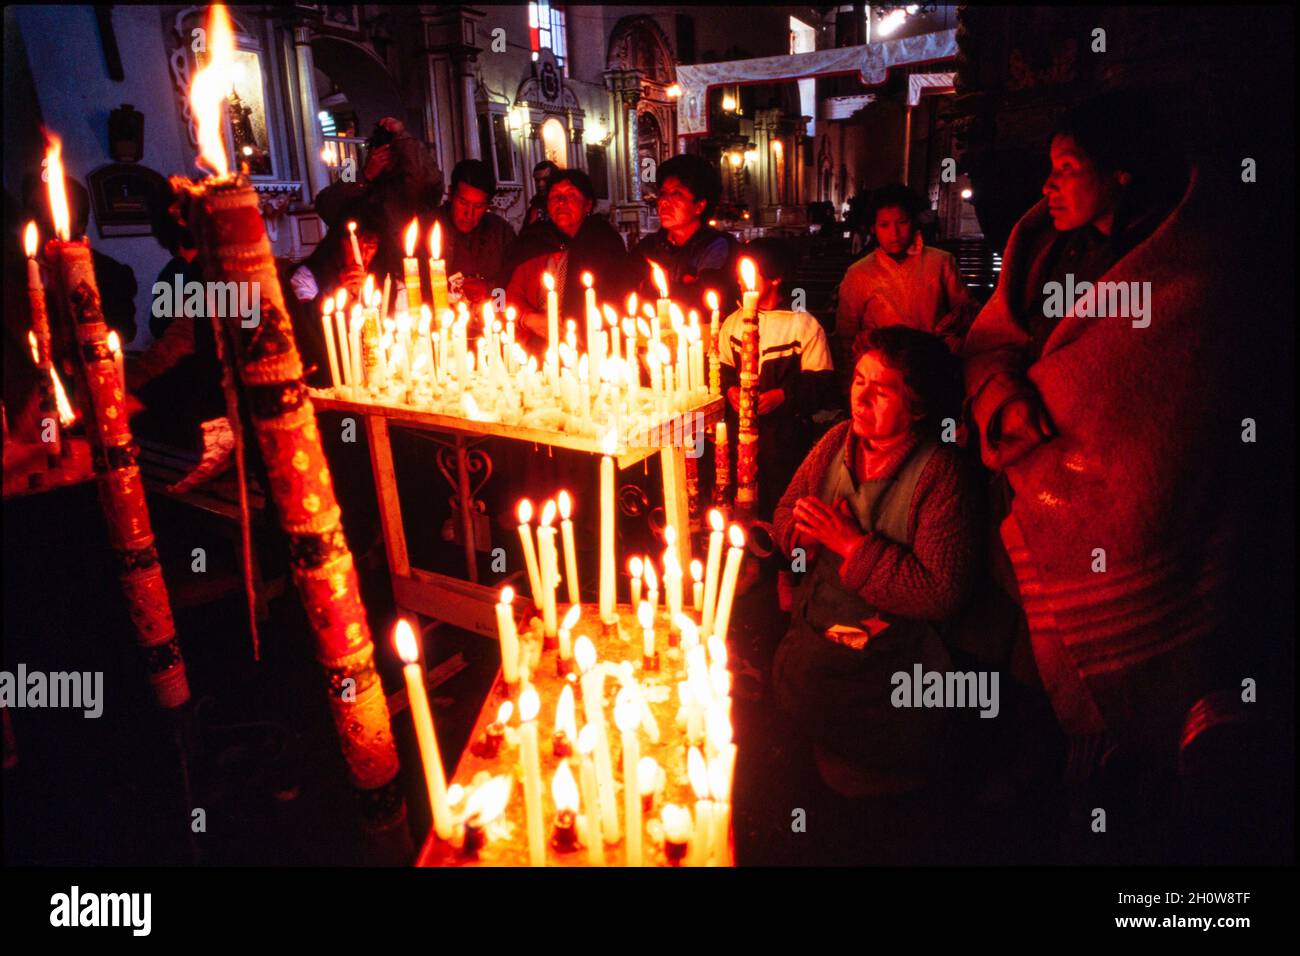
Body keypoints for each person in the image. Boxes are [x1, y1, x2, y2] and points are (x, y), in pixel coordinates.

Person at [961, 91, 1267, 860]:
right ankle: (1051, 779)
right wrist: (1003, 396)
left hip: (1118, 503)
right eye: (1048, 170)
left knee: (1111, 693)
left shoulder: (1187, 264)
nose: (1049, 188)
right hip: (1025, 479)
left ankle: (1115, 805)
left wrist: (1067, 411)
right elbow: (995, 342)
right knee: (1028, 650)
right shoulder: (1044, 250)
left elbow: (1159, 405)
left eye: (1069, 170)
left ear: (1123, 174)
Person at [770, 326, 978, 805]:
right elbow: (785, 514)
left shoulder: (940, 473)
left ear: (918, 406)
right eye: (859, 380)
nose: (861, 398)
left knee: (877, 705)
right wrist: (802, 539)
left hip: (897, 649)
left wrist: (852, 546)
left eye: (881, 391)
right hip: (822, 622)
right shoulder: (838, 442)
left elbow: (942, 594)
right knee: (803, 676)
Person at [718, 238, 835, 519]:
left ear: (776, 277)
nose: (741, 280)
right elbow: (720, 372)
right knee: (739, 498)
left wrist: (784, 395)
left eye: (750, 273)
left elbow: (822, 384)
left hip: (784, 437)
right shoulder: (732, 323)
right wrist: (730, 389)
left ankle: (777, 553)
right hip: (737, 434)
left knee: (779, 500)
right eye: (739, 274)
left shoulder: (802, 324)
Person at [834, 184, 974, 368]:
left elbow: (965, 314)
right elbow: (847, 335)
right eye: (884, 225)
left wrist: (950, 339)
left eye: (902, 222)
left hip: (934, 366)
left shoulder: (941, 262)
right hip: (881, 371)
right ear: (873, 228)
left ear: (914, 221)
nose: (895, 233)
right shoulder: (858, 273)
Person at [504, 169, 637, 349]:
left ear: (588, 205)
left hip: (591, 345)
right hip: (536, 343)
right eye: (555, 196)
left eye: (571, 195)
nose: (561, 202)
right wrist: (528, 319)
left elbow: (617, 297)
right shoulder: (535, 240)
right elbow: (508, 295)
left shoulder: (604, 243)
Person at [632, 154, 739, 315]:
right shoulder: (648, 247)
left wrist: (655, 289)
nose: (664, 201)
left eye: (677, 194)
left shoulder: (716, 246)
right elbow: (627, 289)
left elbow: (705, 300)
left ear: (699, 206)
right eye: (663, 193)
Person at [432, 159, 516, 308]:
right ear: (451, 194)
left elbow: (514, 293)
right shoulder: (429, 229)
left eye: (478, 206)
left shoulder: (501, 234)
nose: (468, 214)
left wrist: (490, 290)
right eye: (463, 203)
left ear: (488, 205)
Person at [524, 160, 560, 227]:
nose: (540, 184)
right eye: (537, 180)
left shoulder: (565, 205)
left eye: (545, 179)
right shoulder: (533, 209)